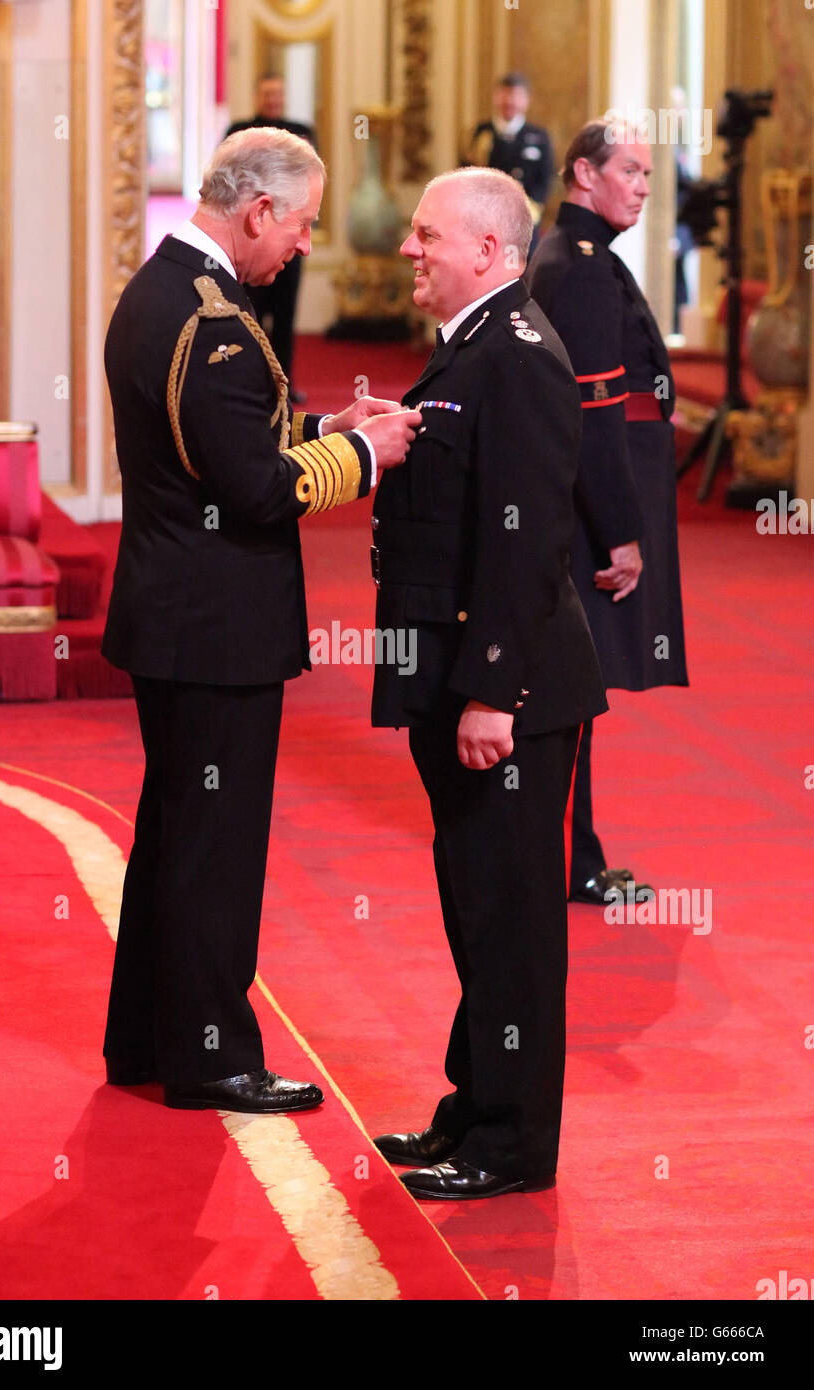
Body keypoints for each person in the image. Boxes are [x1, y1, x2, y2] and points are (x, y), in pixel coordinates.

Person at [102, 126, 420, 1113]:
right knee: (215, 848)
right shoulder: (220, 323)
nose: (307, 245)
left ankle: (146, 1037)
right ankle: (211, 1057)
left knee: (174, 834)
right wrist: (369, 460)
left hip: (173, 614)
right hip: (216, 627)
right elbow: (253, 487)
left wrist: (330, 427)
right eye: (303, 224)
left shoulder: (165, 290)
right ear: (259, 212)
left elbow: (230, 430)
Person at [369, 168, 607, 1199]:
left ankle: (513, 1143)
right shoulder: (471, 343)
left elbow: (527, 544)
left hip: (506, 693)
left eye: (428, 235)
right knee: (478, 906)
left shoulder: (516, 357)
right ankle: (474, 1108)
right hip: (459, 676)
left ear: (490, 249)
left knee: (511, 917)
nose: (410, 249)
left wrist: (488, 695)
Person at [526, 120, 689, 906]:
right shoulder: (582, 267)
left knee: (574, 693)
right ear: (582, 174)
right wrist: (621, 532)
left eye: (648, 174)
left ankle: (575, 854)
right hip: (591, 516)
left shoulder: (574, 256)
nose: (643, 187)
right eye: (629, 170)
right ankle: (570, 861)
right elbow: (592, 414)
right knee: (573, 693)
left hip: (583, 504)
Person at [225, 75, 314, 400]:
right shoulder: (239, 132)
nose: (273, 99)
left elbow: (306, 180)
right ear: (257, 96)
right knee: (250, 315)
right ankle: (252, 383)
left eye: (278, 93)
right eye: (267, 93)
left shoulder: (300, 133)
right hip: (252, 239)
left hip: (289, 236)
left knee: (286, 317)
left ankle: (284, 386)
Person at [465, 73, 555, 255]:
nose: (510, 102)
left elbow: (544, 179)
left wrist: (529, 211)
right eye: (505, 95)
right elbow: (467, 174)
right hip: (486, 219)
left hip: (523, 219)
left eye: (516, 96)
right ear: (496, 97)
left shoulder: (538, 137)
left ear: (526, 100)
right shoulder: (481, 133)